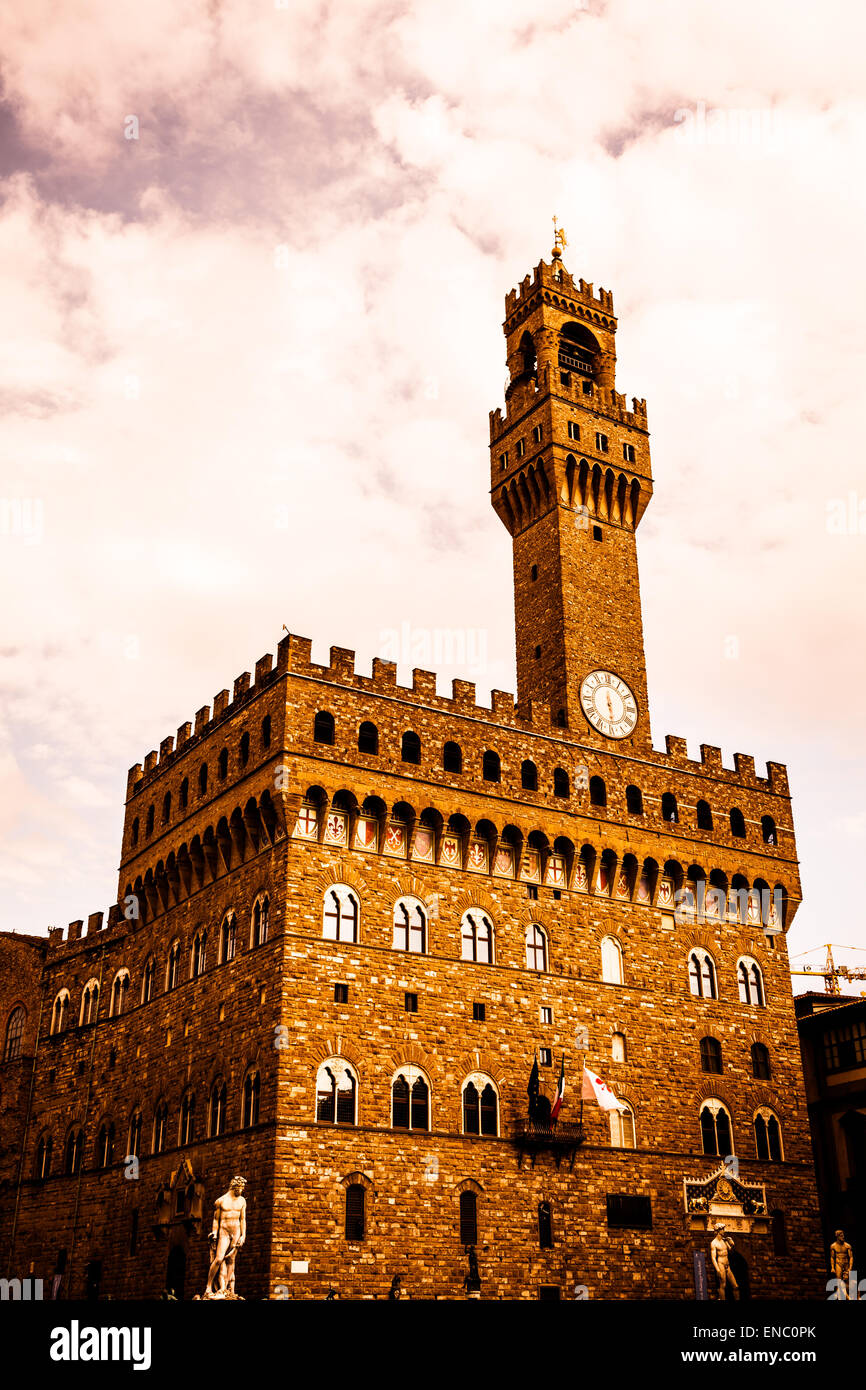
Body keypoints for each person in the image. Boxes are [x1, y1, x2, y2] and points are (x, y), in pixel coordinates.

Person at [205, 1176, 247, 1298]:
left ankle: (225, 1288)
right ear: (234, 1187)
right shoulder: (221, 1201)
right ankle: (208, 1286)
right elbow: (215, 1220)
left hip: (236, 1231)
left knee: (231, 1260)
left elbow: (243, 1219)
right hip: (224, 1231)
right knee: (218, 1259)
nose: (242, 1191)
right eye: (240, 1188)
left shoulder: (242, 1201)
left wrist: (243, 1235)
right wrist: (214, 1232)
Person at [710, 1222, 739, 1301]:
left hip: (727, 1265)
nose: (724, 1231)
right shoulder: (714, 1243)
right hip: (721, 1264)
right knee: (723, 1285)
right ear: (718, 1231)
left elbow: (731, 1252)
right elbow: (713, 1257)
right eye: (722, 1229)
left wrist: (732, 1244)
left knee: (735, 1286)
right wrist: (717, 1269)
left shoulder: (725, 1240)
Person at [830, 1230, 854, 1300]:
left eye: (843, 1235)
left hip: (846, 1263)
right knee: (839, 1281)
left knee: (849, 1281)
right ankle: (841, 1296)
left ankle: (850, 1295)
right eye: (841, 1236)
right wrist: (832, 1268)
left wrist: (850, 1268)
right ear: (837, 1237)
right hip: (838, 1264)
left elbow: (851, 1257)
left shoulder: (847, 1246)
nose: (843, 1237)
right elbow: (832, 1257)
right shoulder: (833, 1246)